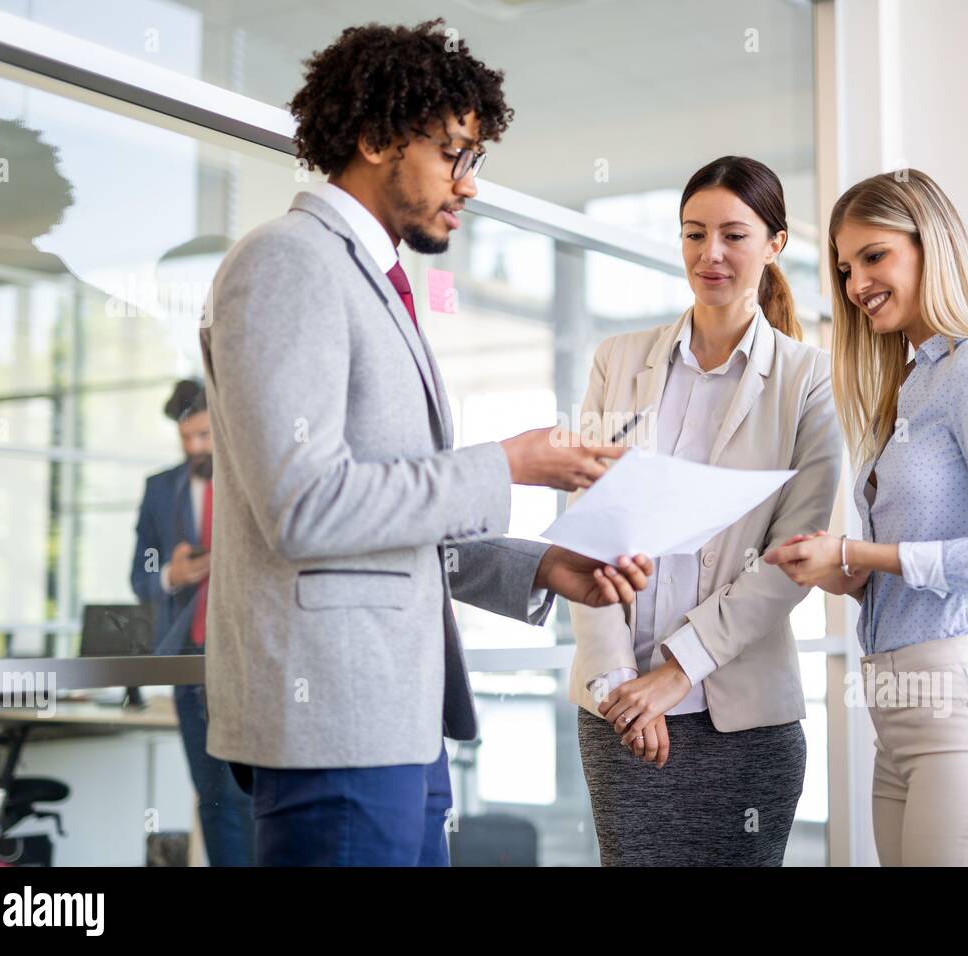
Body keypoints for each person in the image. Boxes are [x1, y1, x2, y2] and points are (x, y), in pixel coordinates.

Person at [199, 20, 651, 867]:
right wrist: (510, 466)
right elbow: (305, 508)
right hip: (331, 724)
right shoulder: (288, 263)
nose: (469, 185)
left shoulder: (373, 280)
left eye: (473, 159)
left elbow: (384, 529)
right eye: (454, 154)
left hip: (402, 723)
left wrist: (538, 566)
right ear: (374, 139)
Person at [765, 168, 968, 866]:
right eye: (844, 267)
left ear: (932, 247)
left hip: (966, 715)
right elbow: (927, 564)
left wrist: (866, 555)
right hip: (897, 716)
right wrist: (848, 573)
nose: (857, 282)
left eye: (875, 255)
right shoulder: (915, 384)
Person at [569, 156, 843, 865]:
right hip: (621, 713)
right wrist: (614, 685)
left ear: (775, 243)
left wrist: (677, 670)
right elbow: (587, 530)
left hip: (742, 724)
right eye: (694, 235)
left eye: (733, 235)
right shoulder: (618, 359)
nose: (709, 254)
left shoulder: (810, 380)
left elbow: (794, 557)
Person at [131, 379, 254, 866]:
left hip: (244, 658)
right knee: (215, 796)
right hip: (188, 660)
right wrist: (170, 574)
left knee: (247, 794)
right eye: (186, 438)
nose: (194, 447)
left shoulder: (250, 481)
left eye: (204, 436)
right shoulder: (161, 488)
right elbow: (139, 576)